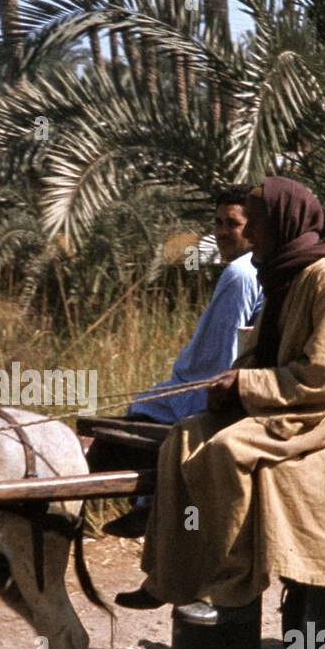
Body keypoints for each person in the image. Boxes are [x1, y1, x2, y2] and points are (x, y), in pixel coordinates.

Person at [116, 177, 325, 622]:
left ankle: (231, 582)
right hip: (283, 400)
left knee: (228, 449)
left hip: (319, 413)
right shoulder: (282, 274)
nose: (251, 234)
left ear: (284, 223)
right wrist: (235, 378)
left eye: (257, 223)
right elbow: (262, 352)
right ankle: (173, 576)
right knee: (182, 438)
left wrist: (245, 386)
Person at [101, 185, 261, 538]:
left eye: (231, 223)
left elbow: (217, 359)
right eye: (217, 222)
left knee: (145, 406)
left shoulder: (239, 275)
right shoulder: (259, 269)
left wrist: (185, 388)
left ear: (254, 227)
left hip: (214, 390)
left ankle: (150, 507)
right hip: (241, 385)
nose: (221, 232)